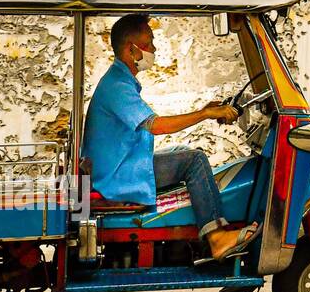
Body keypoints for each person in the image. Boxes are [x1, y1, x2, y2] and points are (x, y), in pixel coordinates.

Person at [81, 13, 259, 261]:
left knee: (180, 150)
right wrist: (205, 113)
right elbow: (157, 125)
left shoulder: (120, 80)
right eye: (149, 43)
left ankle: (201, 223)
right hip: (116, 176)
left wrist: (206, 109)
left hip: (120, 165)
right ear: (131, 50)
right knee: (194, 160)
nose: (154, 49)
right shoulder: (117, 87)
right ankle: (217, 236)